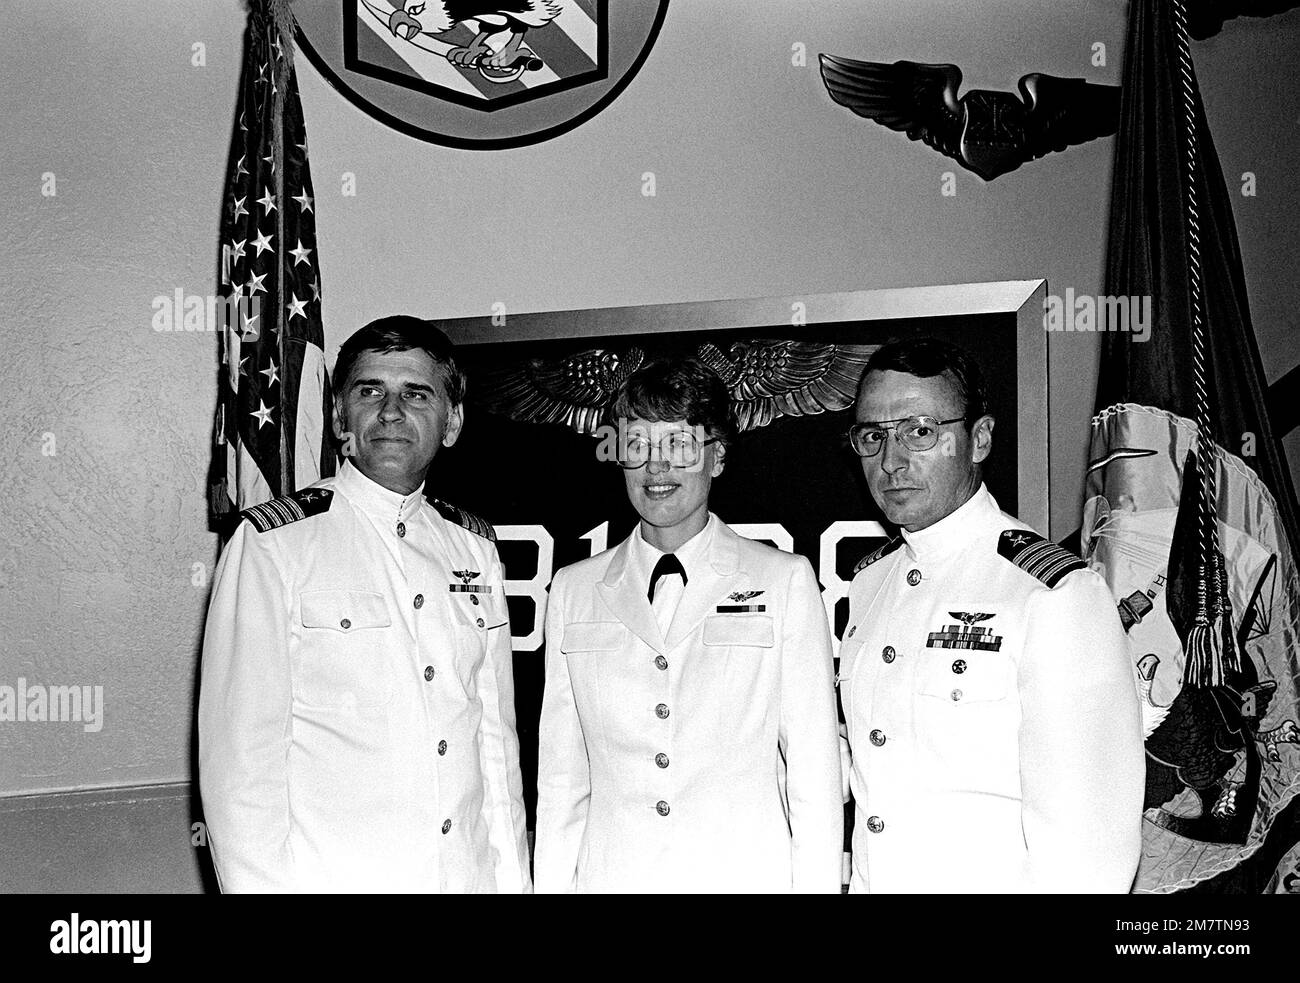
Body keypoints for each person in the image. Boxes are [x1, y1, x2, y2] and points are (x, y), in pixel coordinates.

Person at [198, 315, 530, 893]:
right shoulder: (275, 545)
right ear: (337, 416)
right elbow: (240, 773)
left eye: (416, 394)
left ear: (451, 423)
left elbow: (495, 748)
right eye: (370, 390)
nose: (392, 412)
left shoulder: (473, 546)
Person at [839, 337, 1145, 892]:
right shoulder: (869, 583)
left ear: (978, 439)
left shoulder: (1051, 593)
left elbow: (1089, 851)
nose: (891, 460)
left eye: (920, 431)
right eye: (873, 436)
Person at [535, 356, 843, 893]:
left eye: (678, 444)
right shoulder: (574, 589)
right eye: (638, 445)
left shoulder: (782, 581)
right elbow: (562, 782)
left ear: (717, 456)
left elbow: (814, 777)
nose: (656, 469)